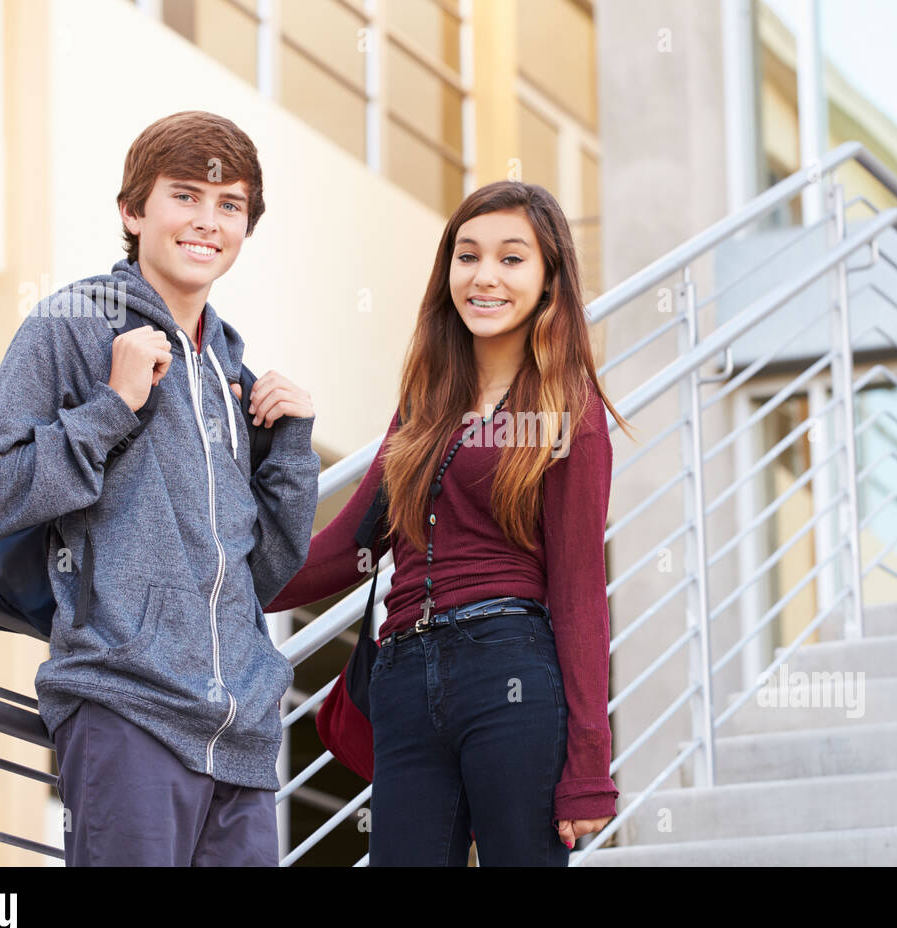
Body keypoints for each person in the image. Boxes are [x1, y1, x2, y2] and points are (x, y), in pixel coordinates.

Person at [0, 111, 321, 866]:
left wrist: (294, 451)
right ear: (132, 210)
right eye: (184, 196)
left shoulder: (231, 377)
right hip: (127, 707)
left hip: (240, 742)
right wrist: (111, 410)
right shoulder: (71, 324)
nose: (207, 222)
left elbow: (266, 578)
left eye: (230, 206)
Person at [266, 180, 634, 865]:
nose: (484, 276)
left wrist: (589, 765)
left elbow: (580, 590)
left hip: (509, 672)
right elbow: (349, 548)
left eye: (511, 258)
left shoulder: (569, 412)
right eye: (467, 256)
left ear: (550, 278)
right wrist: (223, 579)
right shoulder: (425, 405)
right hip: (404, 677)